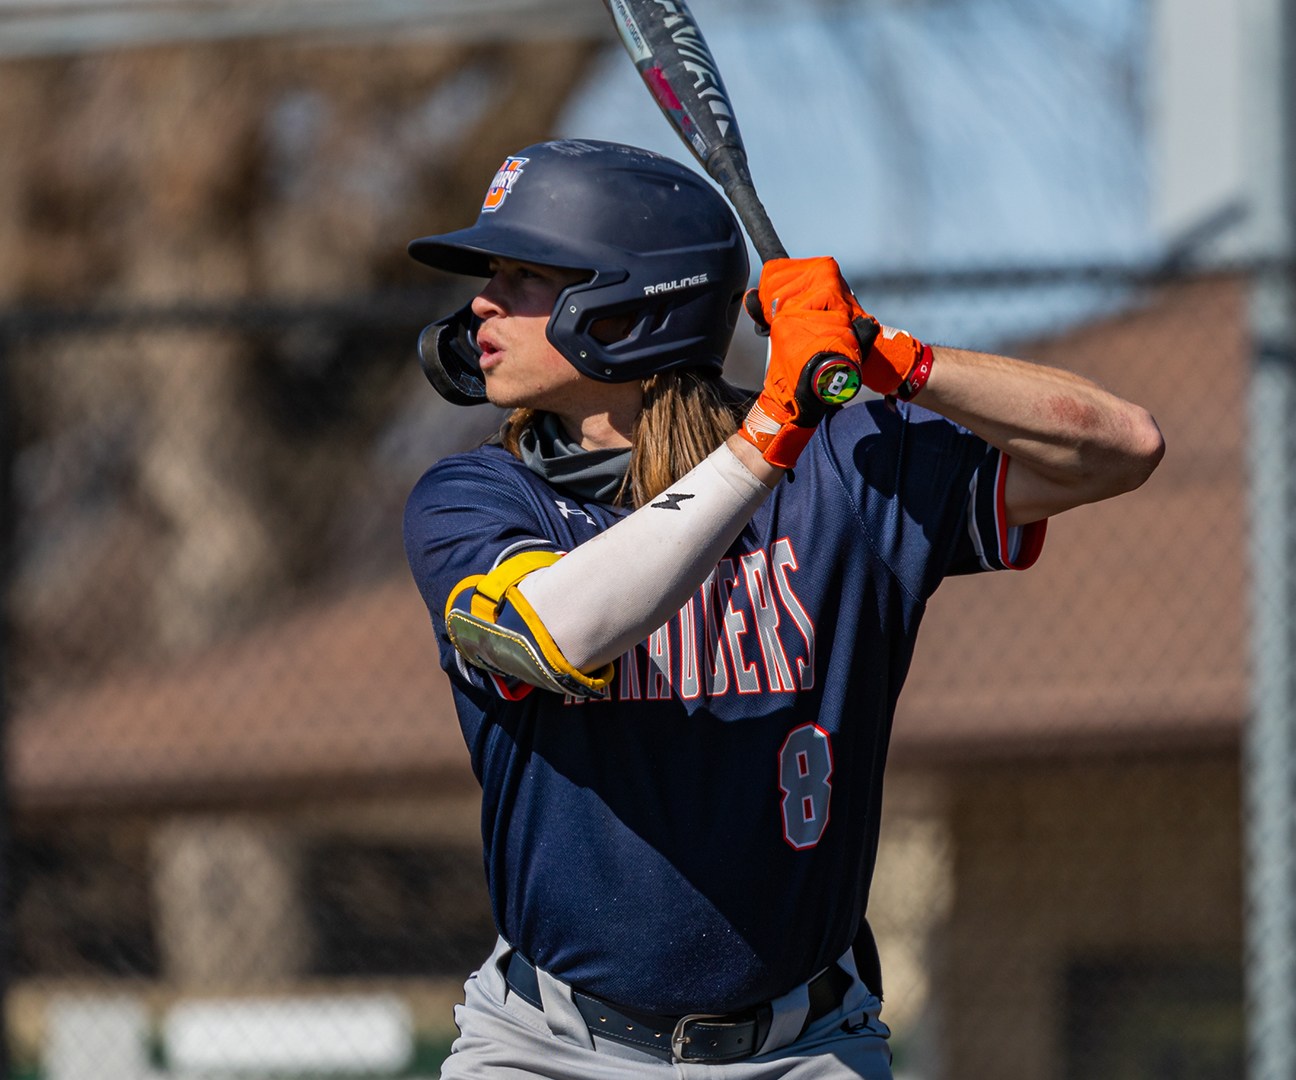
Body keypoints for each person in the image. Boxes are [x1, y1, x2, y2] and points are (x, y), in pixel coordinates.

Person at [402, 139, 1163, 1077]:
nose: (483, 301)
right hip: (548, 1046)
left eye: (524, 275)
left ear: (629, 307)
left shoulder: (841, 469)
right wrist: (771, 433)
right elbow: (556, 632)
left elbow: (1119, 447)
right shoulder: (477, 498)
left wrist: (895, 358)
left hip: (807, 1049)